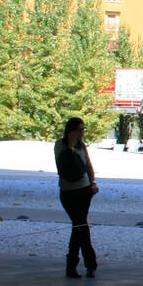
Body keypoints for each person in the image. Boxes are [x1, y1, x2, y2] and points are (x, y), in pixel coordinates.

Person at [54, 117, 99, 277]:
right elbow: (65, 165)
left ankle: (74, 265)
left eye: (83, 129)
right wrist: (71, 148)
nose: (82, 133)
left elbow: (87, 165)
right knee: (80, 226)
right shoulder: (60, 145)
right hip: (69, 191)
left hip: (84, 190)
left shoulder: (82, 146)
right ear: (71, 131)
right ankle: (89, 263)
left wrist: (93, 181)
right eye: (79, 130)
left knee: (79, 226)